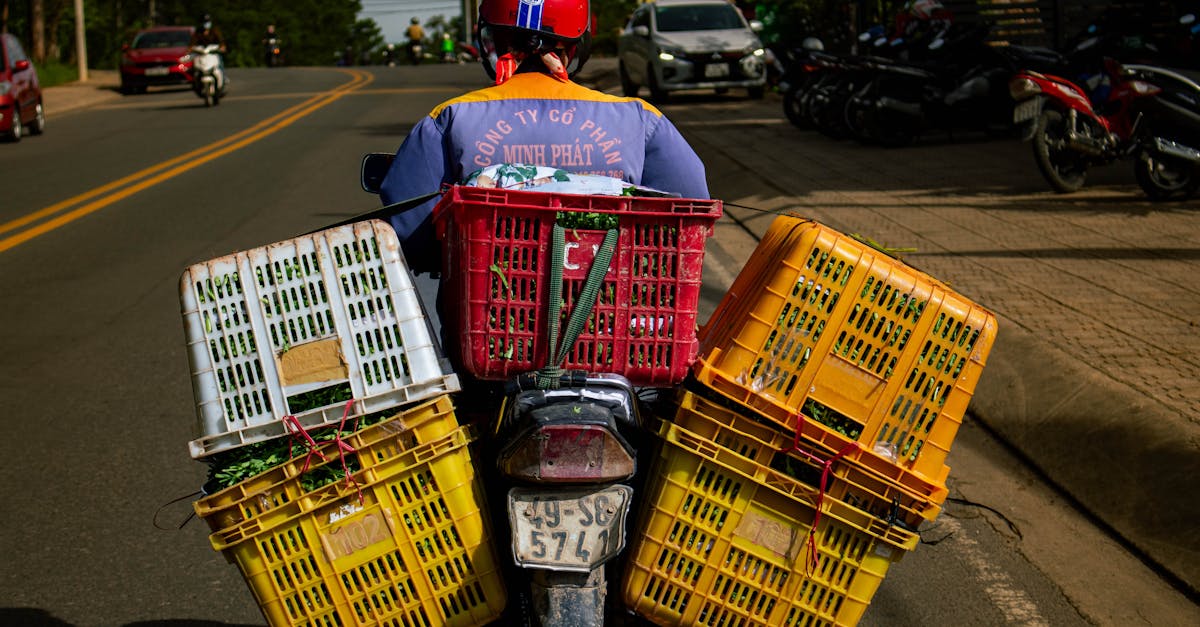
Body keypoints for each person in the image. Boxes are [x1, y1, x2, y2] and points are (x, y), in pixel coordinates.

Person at [379, 0, 709, 272]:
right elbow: (692, 210)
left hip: (481, 316)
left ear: (492, 40)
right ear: (578, 43)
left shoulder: (450, 117)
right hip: (618, 317)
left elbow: (411, 227)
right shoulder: (639, 118)